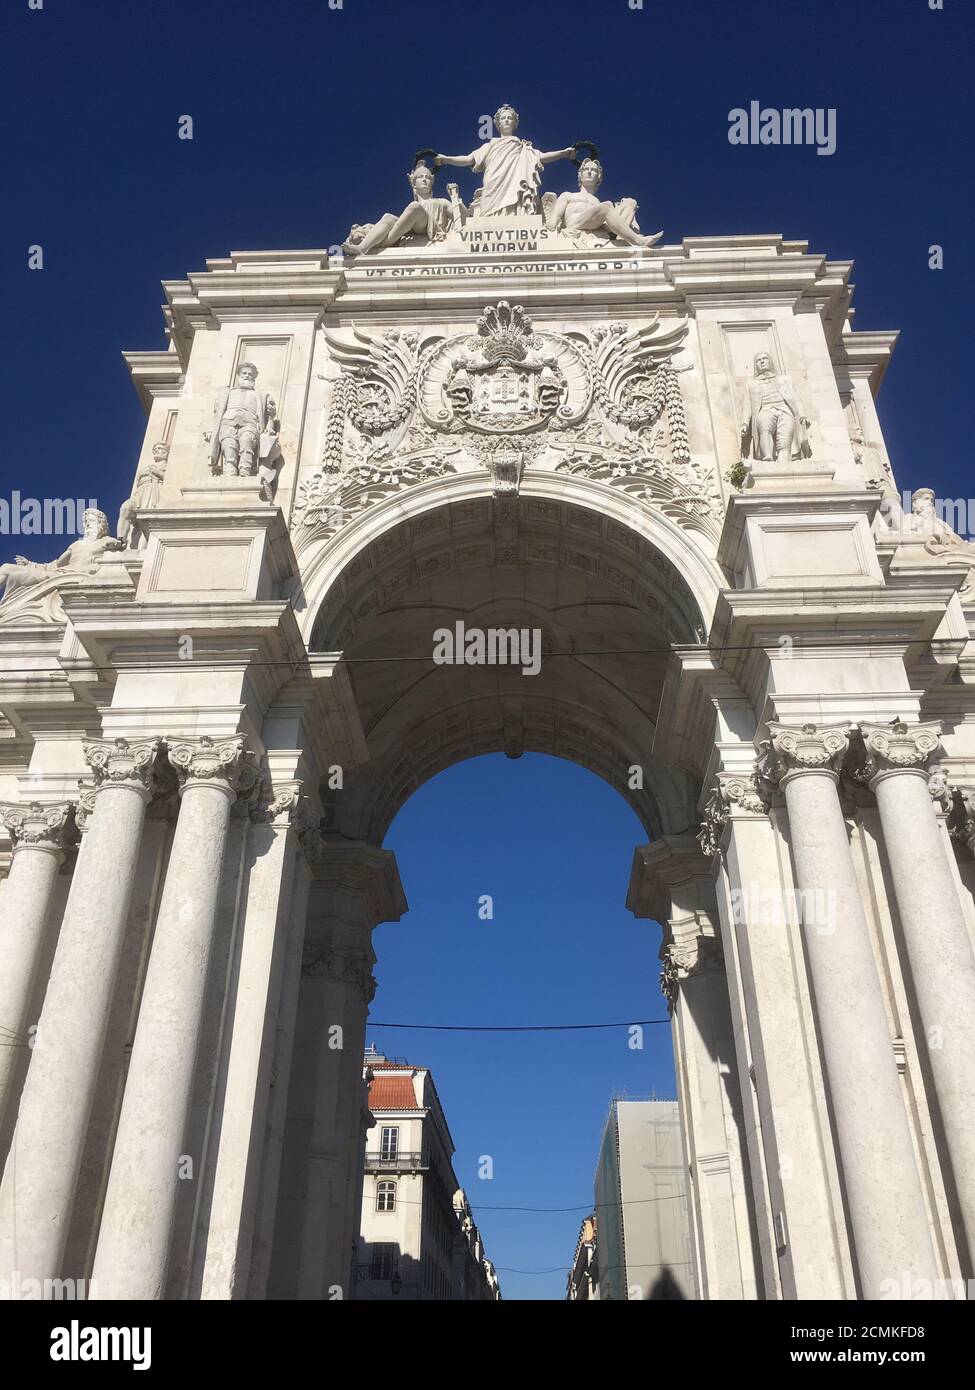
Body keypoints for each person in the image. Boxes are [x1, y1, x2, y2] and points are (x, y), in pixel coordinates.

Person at [435, 104, 574, 217]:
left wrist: (563, 153)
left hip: (515, 184)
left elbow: (542, 157)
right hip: (493, 183)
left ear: (514, 123)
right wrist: (446, 159)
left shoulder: (522, 147)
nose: (506, 120)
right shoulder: (490, 145)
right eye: (503, 118)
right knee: (487, 215)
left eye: (509, 118)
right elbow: (468, 159)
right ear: (498, 124)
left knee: (515, 209)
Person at [0, 508, 121, 603]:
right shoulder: (76, 545)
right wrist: (30, 564)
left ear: (101, 524)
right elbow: (56, 564)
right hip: (59, 575)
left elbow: (119, 555)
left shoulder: (107, 541)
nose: (88, 525)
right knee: (6, 567)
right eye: (86, 522)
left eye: (92, 521)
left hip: (78, 577)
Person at [342, 163, 456, 257]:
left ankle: (378, 243)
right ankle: (362, 248)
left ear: (432, 182)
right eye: (420, 177)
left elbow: (462, 218)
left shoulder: (442, 202)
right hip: (411, 229)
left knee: (415, 207)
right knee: (388, 217)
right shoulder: (414, 206)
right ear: (413, 183)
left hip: (430, 227)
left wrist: (455, 197)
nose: (424, 180)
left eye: (427, 177)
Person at [544, 158, 662, 247]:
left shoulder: (597, 203)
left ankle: (623, 237)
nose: (589, 172)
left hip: (598, 226)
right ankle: (637, 240)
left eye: (594, 170)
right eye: (586, 169)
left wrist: (628, 207)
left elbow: (604, 220)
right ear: (580, 176)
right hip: (575, 225)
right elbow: (555, 217)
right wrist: (552, 223)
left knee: (630, 202)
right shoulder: (568, 195)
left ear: (598, 177)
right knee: (607, 206)